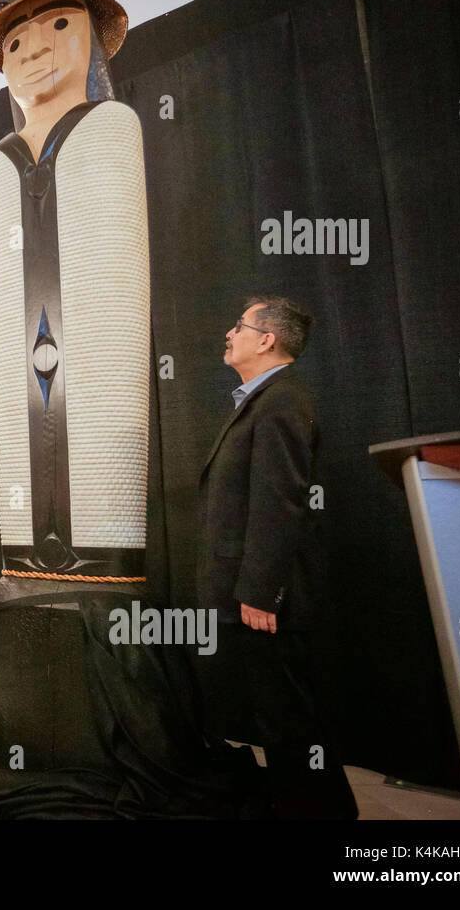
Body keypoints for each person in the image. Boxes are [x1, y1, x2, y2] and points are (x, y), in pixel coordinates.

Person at [195, 296, 356, 819]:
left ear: (266, 339)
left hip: (266, 597)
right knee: (279, 713)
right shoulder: (263, 399)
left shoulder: (281, 400)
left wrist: (260, 592)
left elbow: (279, 505)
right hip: (257, 592)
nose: (228, 333)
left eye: (238, 325)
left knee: (286, 716)